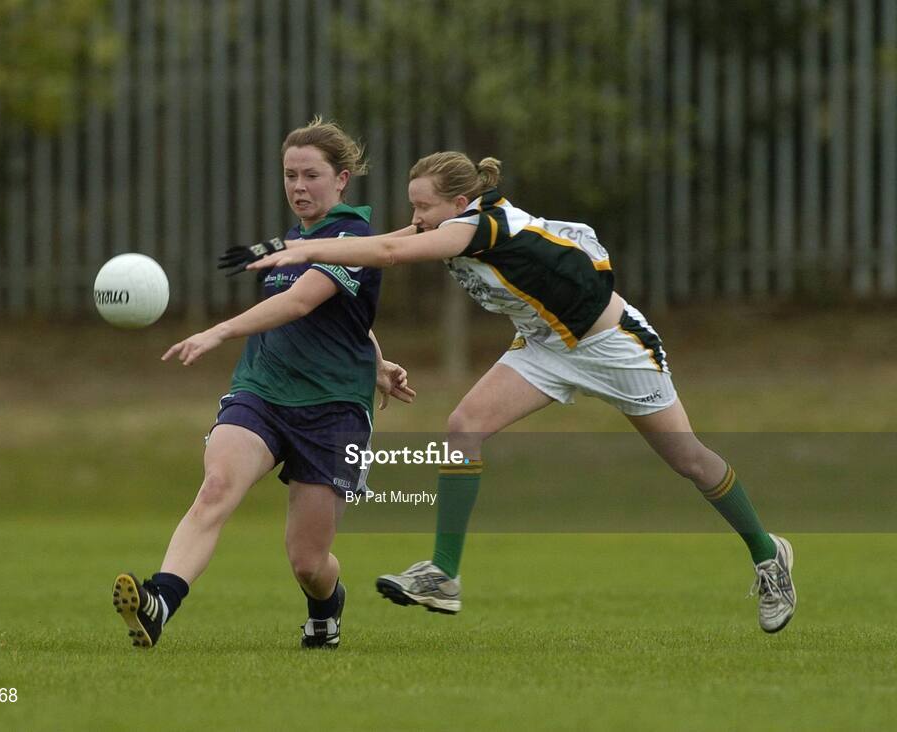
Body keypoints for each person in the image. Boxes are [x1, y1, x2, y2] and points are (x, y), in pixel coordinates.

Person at [240, 151, 797, 634]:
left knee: (691, 461)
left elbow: (386, 255)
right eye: (413, 207)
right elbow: (386, 240)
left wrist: (307, 253)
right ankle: (444, 574)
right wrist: (300, 246)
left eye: (423, 208)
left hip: (612, 346)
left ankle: (768, 556)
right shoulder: (450, 223)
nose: (415, 219)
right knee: (463, 426)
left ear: (458, 202)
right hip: (545, 345)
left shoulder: (479, 227)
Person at [111, 117, 415, 650]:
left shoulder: (354, 237)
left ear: (342, 179)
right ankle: (160, 601)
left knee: (308, 561)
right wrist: (379, 357)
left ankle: (327, 605)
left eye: (311, 175)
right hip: (263, 390)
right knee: (216, 489)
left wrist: (218, 330)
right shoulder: (296, 238)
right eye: (289, 175)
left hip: (333, 409)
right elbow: (346, 317)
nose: (298, 186)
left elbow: (303, 301)